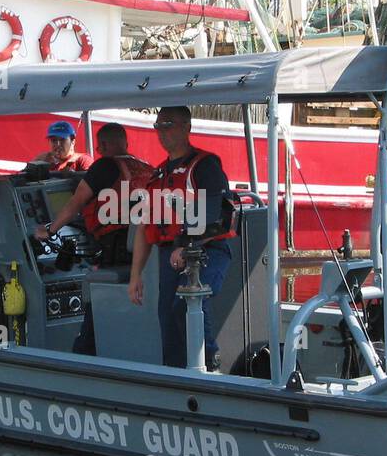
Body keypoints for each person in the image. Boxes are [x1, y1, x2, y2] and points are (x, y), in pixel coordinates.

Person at [128, 106, 234, 370]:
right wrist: (135, 275)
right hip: (169, 256)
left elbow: (217, 215)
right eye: (158, 127)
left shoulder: (205, 166)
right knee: (166, 314)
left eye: (169, 125)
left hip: (207, 251)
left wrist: (186, 246)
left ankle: (208, 364)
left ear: (187, 127)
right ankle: (175, 374)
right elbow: (145, 228)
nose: (162, 133)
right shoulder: (158, 175)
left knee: (186, 302)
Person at [34, 122, 152, 354]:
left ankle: (82, 360)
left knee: (93, 319)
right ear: (126, 142)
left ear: (104, 145)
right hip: (145, 255)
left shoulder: (105, 166)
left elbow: (76, 202)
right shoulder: (146, 167)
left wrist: (49, 230)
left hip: (115, 252)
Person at [28, 120, 94, 172]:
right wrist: (34, 164)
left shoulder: (83, 160)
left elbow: (93, 183)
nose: (58, 144)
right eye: (54, 140)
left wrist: (73, 175)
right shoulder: (44, 160)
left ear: (73, 142)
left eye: (62, 140)